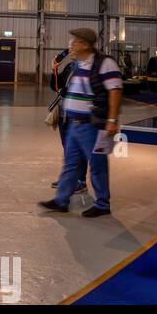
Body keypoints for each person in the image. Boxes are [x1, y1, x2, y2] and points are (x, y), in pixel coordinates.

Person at [39, 28, 123, 218]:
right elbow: (62, 87)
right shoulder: (77, 65)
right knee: (70, 164)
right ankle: (61, 200)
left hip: (93, 126)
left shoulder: (105, 63)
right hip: (74, 125)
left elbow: (115, 91)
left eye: (75, 42)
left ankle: (102, 204)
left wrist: (111, 120)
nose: (71, 46)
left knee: (97, 164)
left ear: (85, 44)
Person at [47, 48, 88, 195]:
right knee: (68, 148)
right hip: (64, 114)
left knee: (80, 148)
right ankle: (69, 178)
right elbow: (56, 87)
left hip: (78, 115)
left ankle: (81, 181)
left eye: (73, 47)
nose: (69, 51)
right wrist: (54, 71)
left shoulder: (87, 67)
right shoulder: (70, 66)